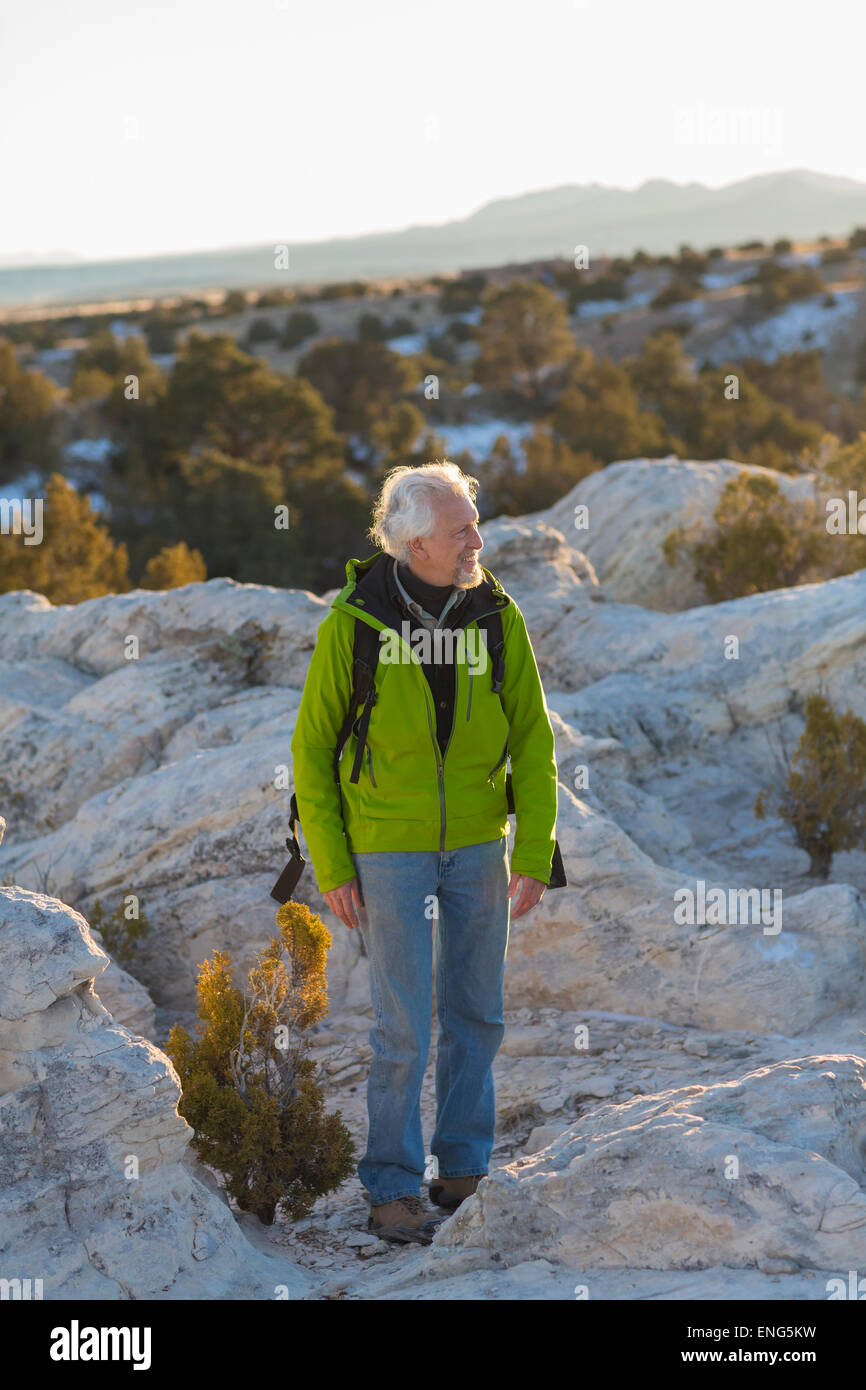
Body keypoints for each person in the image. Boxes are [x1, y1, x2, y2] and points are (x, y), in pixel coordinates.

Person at [291, 461, 558, 1244]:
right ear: (414, 545)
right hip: (389, 848)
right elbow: (312, 753)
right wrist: (334, 865)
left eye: (475, 523)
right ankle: (392, 1187)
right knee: (401, 1026)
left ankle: (464, 1168)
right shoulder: (356, 621)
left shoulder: (498, 614)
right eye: (460, 530)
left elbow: (534, 740)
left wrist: (535, 847)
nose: (478, 540)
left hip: (479, 842)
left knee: (478, 1015)